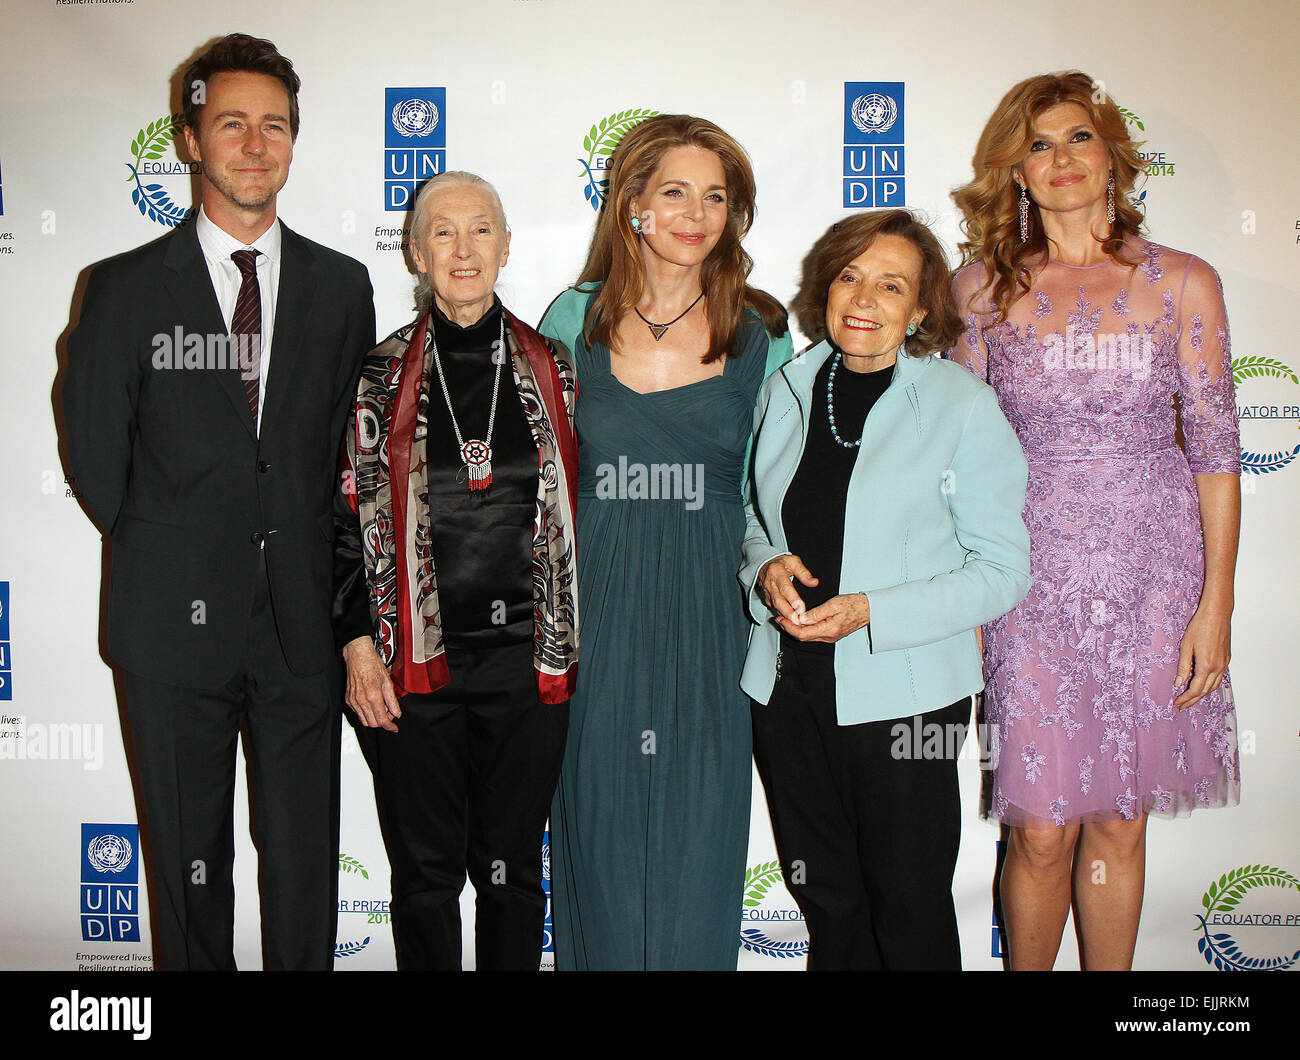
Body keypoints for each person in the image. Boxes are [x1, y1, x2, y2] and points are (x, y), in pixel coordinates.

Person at [62, 33, 375, 969]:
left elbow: (339, 461)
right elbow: (94, 463)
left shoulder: (341, 285)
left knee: (304, 868)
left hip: (301, 631)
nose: (253, 144)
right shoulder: (118, 291)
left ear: (292, 142)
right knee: (186, 874)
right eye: (230, 123)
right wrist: (181, 550)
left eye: (273, 125)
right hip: (169, 628)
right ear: (189, 139)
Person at [948, 71, 1242, 970]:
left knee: (1119, 820)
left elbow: (1219, 455)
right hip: (1027, 583)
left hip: (1156, 581)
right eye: (1039, 145)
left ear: (1113, 152)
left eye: (1078, 137)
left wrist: (1215, 608)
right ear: (1017, 174)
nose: (1062, 159)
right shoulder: (978, 292)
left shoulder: (1185, 282)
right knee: (1038, 831)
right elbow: (957, 459)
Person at [740, 209, 1030, 970]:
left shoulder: (963, 406)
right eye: (849, 276)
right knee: (829, 906)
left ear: (921, 309)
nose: (864, 299)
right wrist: (765, 564)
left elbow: (1002, 570)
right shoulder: (788, 386)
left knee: (908, 908)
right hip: (789, 692)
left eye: (890, 285)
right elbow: (749, 518)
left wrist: (872, 612)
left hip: (907, 698)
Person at [539, 114, 792, 969]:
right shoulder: (570, 320)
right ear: (633, 206)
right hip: (596, 607)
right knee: (599, 828)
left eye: (716, 195)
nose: (696, 212)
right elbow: (542, 485)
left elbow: (780, 487)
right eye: (674, 191)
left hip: (710, 605)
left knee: (697, 834)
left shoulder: (762, 330)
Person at [334, 171, 577, 971]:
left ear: (506, 248)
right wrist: (356, 643)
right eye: (444, 232)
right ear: (415, 251)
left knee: (511, 875)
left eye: (481, 231)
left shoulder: (557, 369)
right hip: (412, 666)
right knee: (426, 875)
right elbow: (341, 521)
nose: (464, 249)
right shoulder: (375, 374)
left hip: (526, 666)